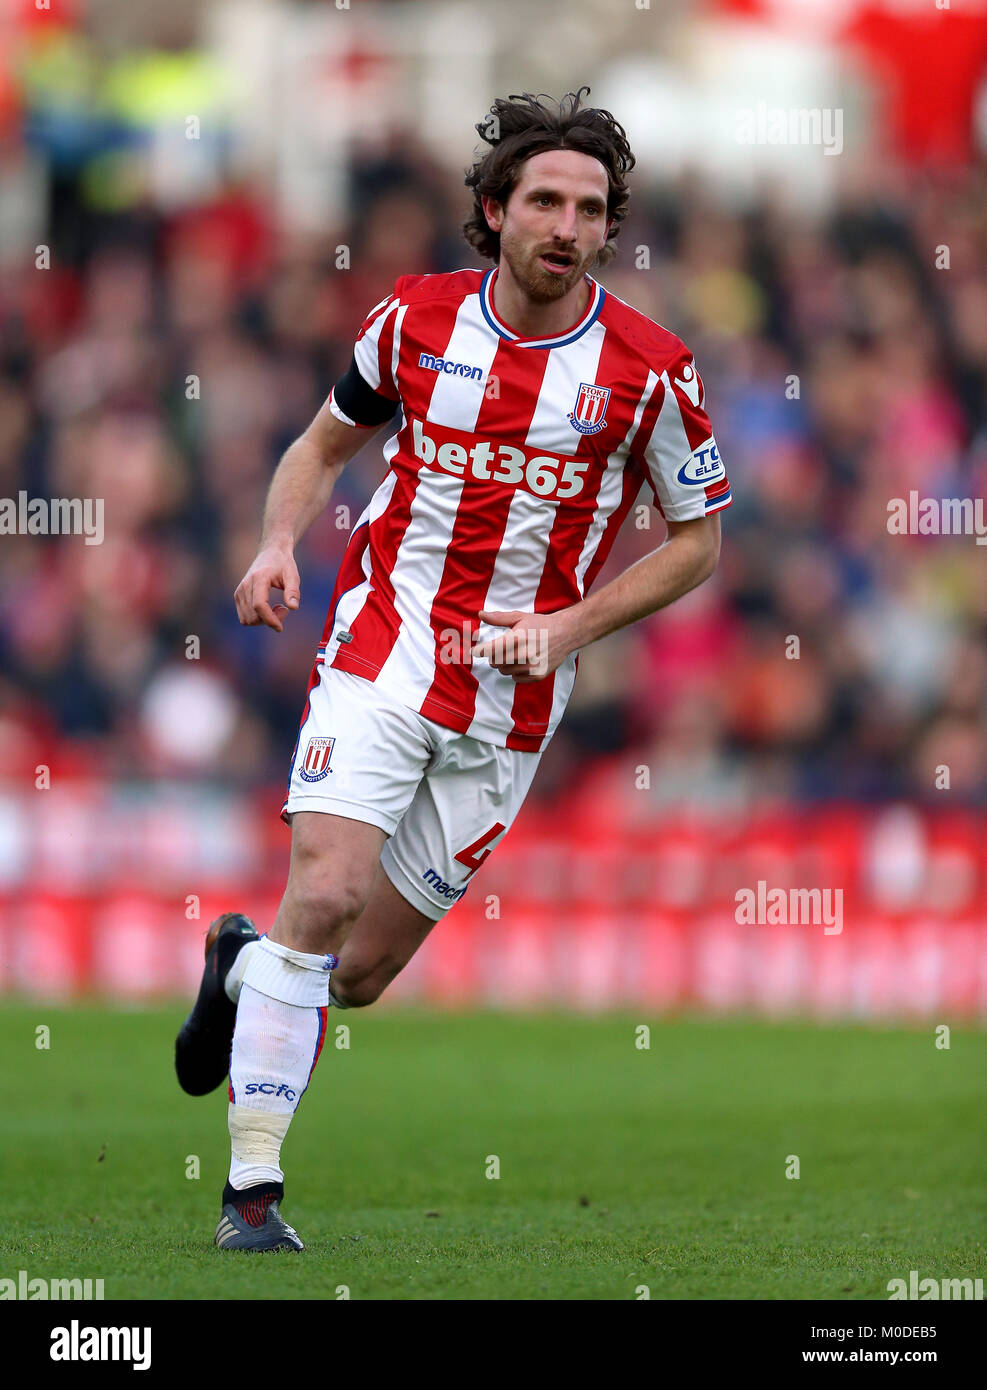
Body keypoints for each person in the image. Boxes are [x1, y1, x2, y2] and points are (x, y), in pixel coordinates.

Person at [175, 87, 732, 1252]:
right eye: (545, 200)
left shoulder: (652, 371)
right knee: (322, 894)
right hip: (387, 639)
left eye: (589, 208)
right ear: (496, 209)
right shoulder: (415, 320)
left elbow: (699, 542)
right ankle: (251, 1195)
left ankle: (241, 970)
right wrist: (279, 541)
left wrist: (571, 626)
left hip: (514, 699)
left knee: (360, 970)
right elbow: (322, 444)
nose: (567, 226)